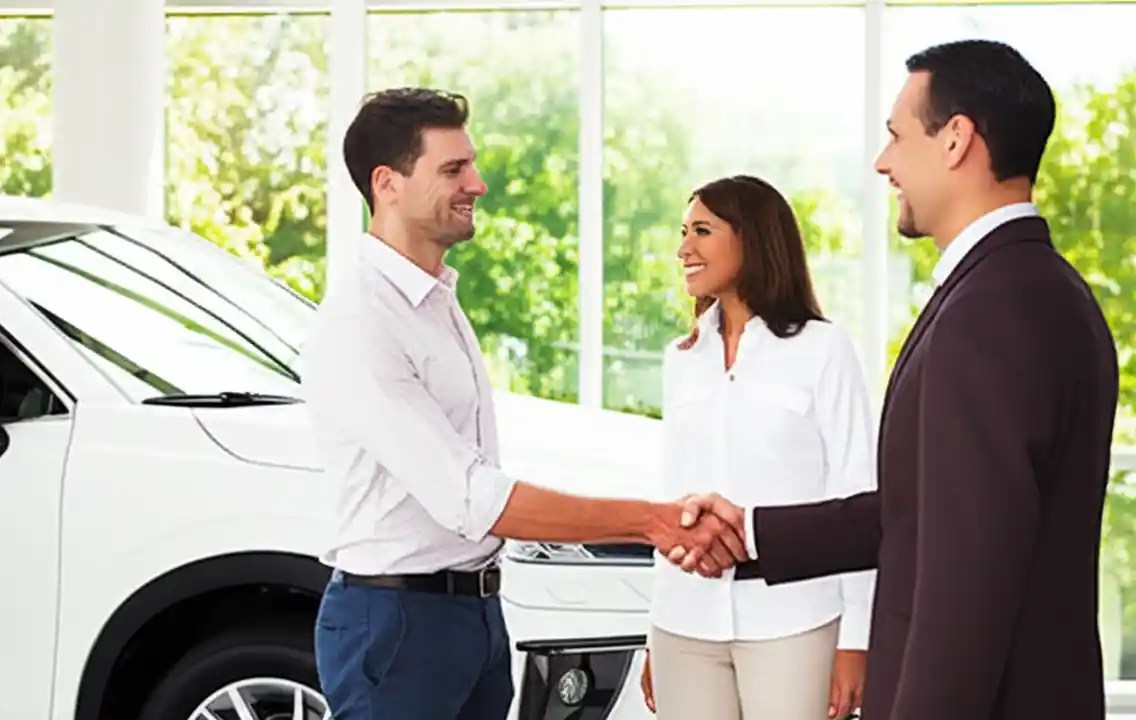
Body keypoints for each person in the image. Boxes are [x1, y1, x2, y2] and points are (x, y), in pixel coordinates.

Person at [670, 40, 1119, 719]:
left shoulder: (994, 308)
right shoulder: (1029, 287)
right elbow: (925, 511)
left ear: (956, 140)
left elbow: (968, 580)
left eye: (896, 136)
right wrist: (755, 532)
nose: (883, 163)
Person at [301, 87, 745, 720]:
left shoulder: (433, 300)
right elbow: (471, 498)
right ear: (387, 183)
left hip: (472, 614)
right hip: (396, 625)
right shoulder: (363, 321)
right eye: (453, 169)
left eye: (471, 165)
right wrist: (652, 521)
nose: (477, 184)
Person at [639, 175, 877, 720]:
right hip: (684, 622)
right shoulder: (682, 357)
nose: (684, 249)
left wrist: (856, 639)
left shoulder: (823, 350)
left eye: (702, 230)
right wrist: (653, 627)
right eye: (683, 232)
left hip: (795, 622)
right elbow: (671, 495)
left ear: (753, 238)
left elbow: (859, 497)